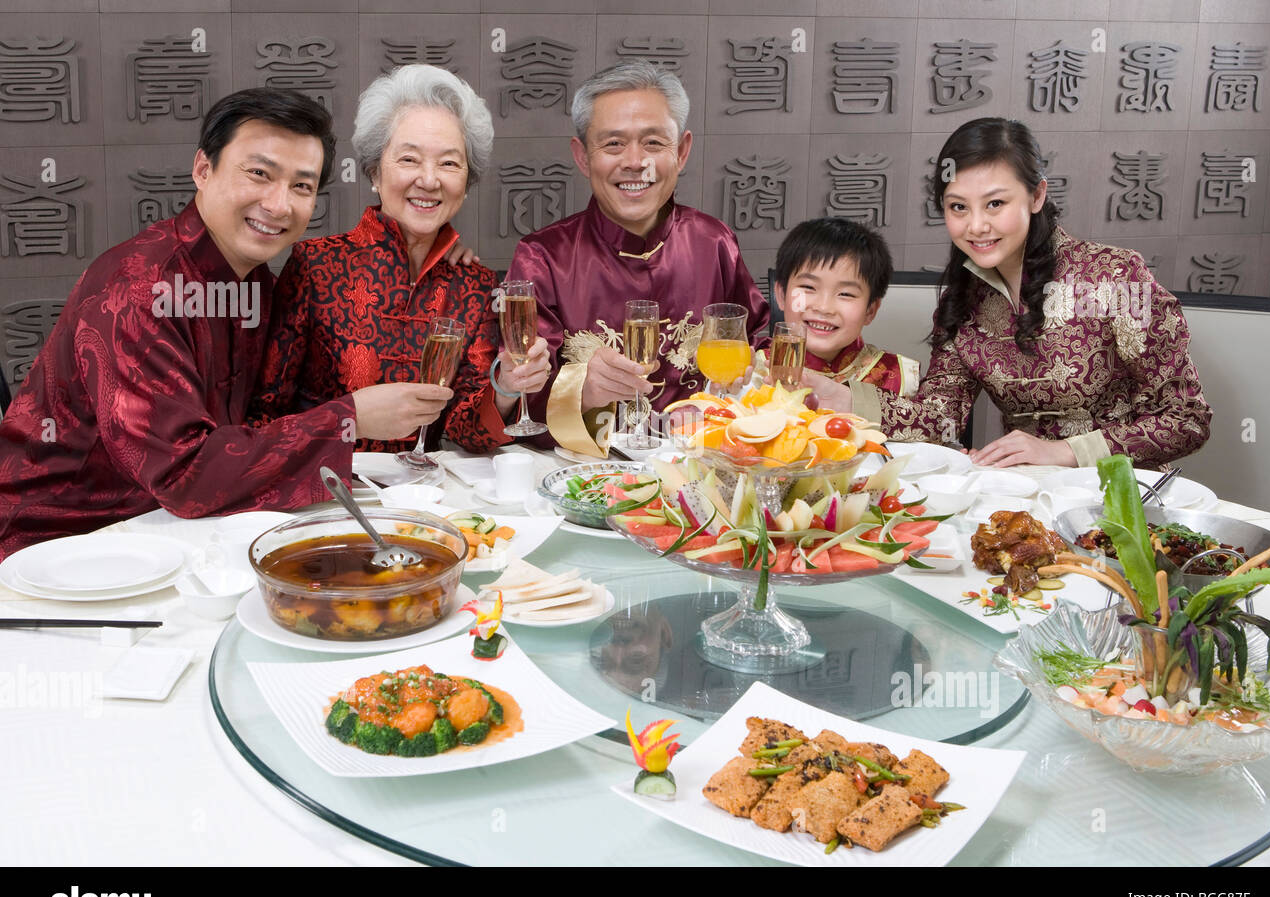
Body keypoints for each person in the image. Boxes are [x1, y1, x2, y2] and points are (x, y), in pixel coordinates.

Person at [0, 89, 449, 558]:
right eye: (258, 173)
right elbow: (184, 474)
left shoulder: (252, 278)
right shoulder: (140, 290)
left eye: (301, 186)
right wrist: (349, 418)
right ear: (203, 170)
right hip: (57, 541)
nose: (278, 205)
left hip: (171, 533)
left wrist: (431, 249)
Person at [827, 117, 1211, 469]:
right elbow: (941, 418)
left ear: (1037, 195)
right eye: (958, 207)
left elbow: (1185, 419)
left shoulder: (1115, 276)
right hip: (1024, 496)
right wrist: (846, 400)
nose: (976, 226)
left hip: (1122, 496)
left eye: (996, 203)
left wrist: (1064, 452)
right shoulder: (964, 301)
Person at [250, 65, 549, 454]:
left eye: (449, 163)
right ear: (375, 170)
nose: (429, 179)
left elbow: (466, 432)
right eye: (409, 159)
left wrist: (507, 386)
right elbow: (264, 413)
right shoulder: (315, 265)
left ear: (466, 181)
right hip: (331, 485)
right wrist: (346, 422)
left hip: (425, 499)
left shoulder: (473, 282)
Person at [505, 60, 769, 457]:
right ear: (582, 156)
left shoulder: (715, 242)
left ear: (680, 152)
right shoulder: (543, 257)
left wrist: (749, 383)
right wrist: (580, 391)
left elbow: (761, 348)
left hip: (702, 468)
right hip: (586, 476)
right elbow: (520, 398)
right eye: (613, 144)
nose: (634, 161)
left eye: (653, 143)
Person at [767, 217, 919, 403]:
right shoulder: (751, 372)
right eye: (809, 287)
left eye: (846, 294)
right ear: (781, 295)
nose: (824, 307)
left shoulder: (899, 378)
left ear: (870, 311)